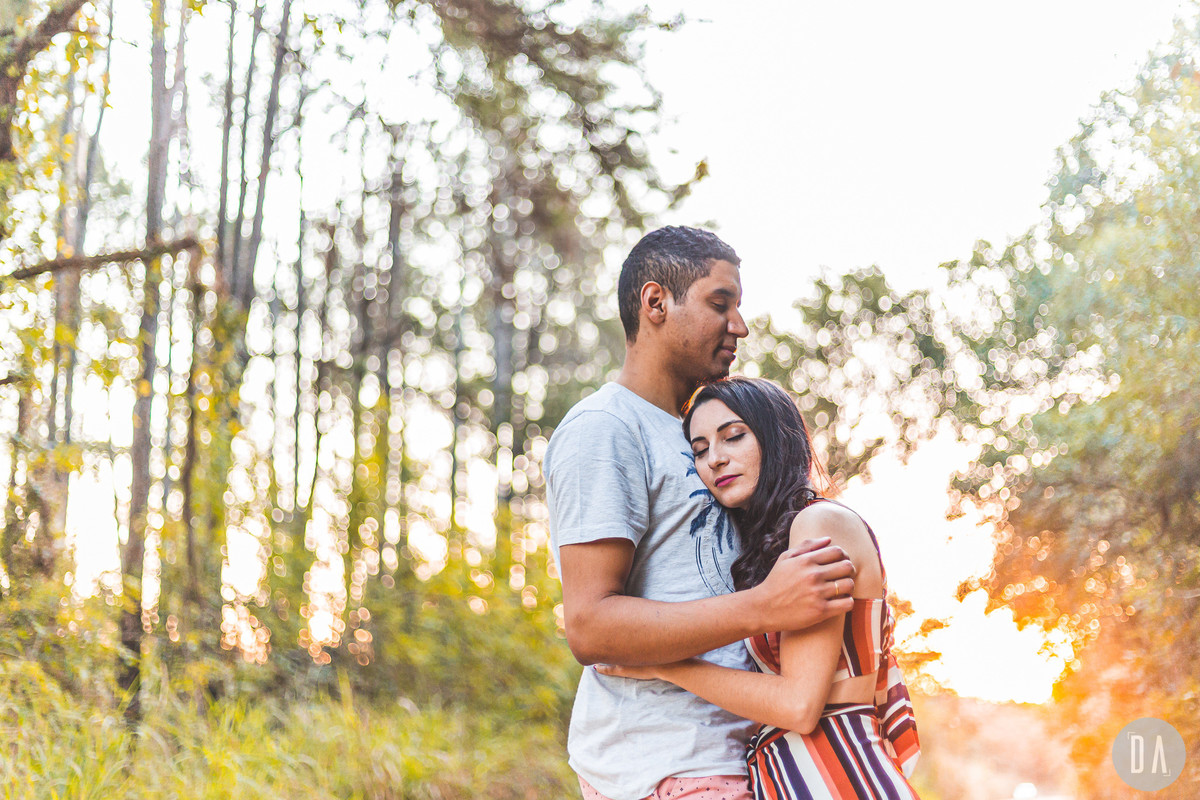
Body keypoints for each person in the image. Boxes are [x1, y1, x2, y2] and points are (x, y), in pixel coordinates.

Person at [545, 226, 859, 800]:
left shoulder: (702, 437)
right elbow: (590, 626)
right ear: (656, 303)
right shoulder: (605, 428)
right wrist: (763, 606)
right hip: (665, 766)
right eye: (721, 303)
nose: (738, 325)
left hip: (739, 758)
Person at [597, 377, 922, 800]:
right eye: (699, 449)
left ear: (775, 438)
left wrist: (661, 665)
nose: (714, 459)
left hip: (842, 776)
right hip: (798, 778)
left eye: (733, 437)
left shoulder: (818, 522)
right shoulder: (771, 544)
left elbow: (799, 707)